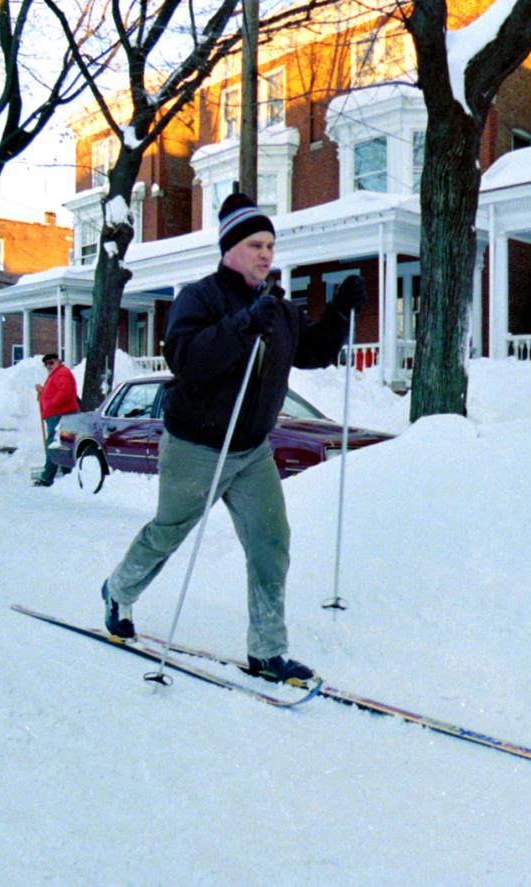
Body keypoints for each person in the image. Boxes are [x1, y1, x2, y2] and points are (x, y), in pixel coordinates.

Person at [101, 191, 367, 683]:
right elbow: (187, 360)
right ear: (229, 249)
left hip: (251, 451)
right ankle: (118, 591)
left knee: (271, 541)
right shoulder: (198, 298)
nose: (266, 255)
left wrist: (338, 313)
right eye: (255, 245)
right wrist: (243, 325)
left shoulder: (278, 309)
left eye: (270, 245)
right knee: (169, 532)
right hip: (195, 447)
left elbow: (313, 352)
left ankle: (267, 651)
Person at [34, 352, 80, 487]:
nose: (48, 366)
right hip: (58, 415)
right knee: (63, 445)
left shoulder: (62, 373)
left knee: (54, 446)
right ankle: (68, 475)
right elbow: (56, 391)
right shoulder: (56, 374)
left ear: (58, 361)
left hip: (60, 415)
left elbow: (65, 392)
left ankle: (47, 477)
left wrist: (51, 404)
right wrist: (43, 392)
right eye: (46, 364)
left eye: (51, 362)